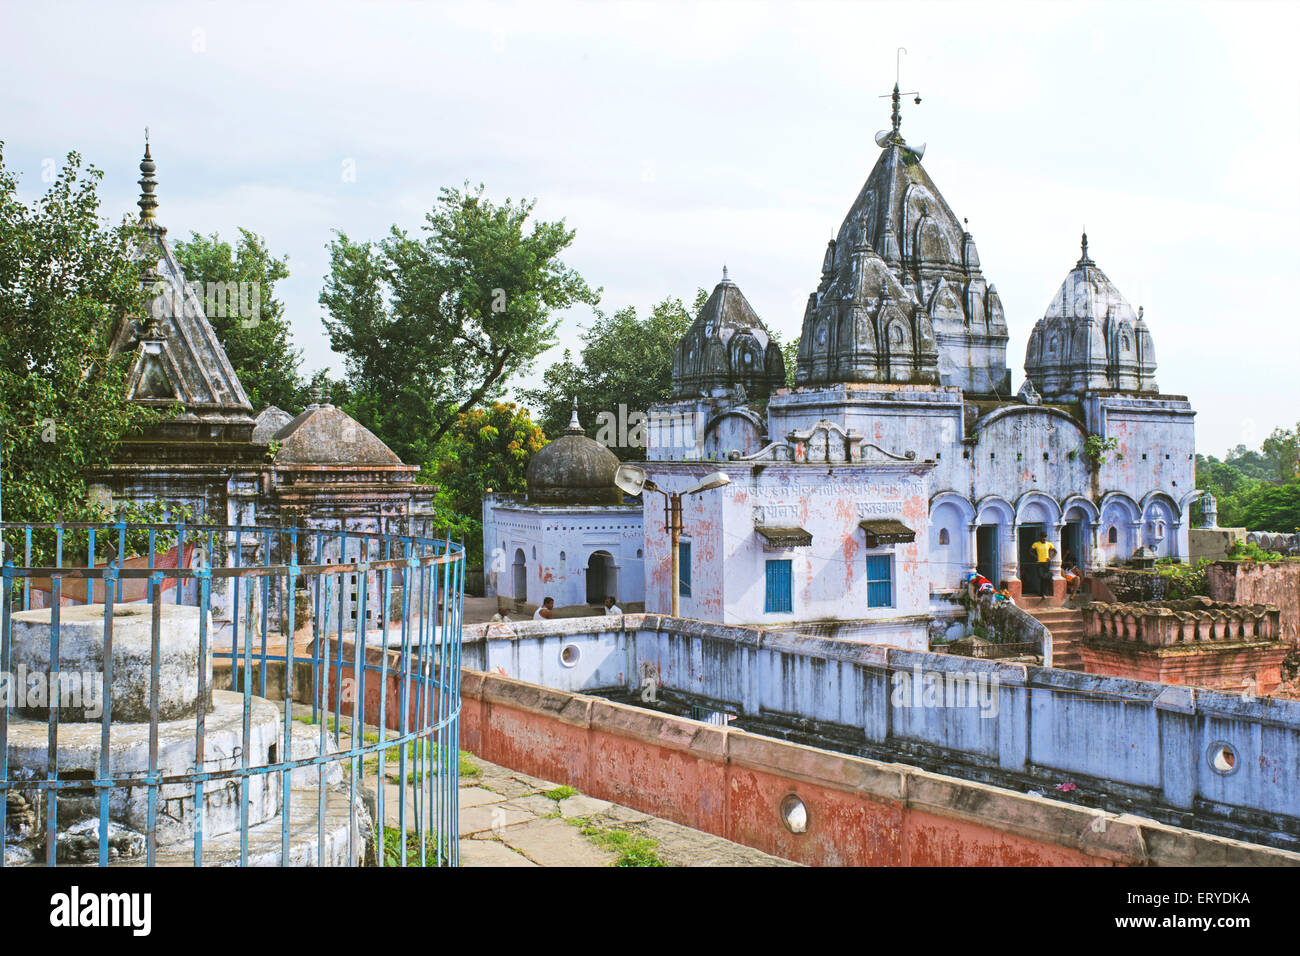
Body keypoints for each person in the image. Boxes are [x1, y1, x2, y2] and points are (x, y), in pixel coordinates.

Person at [1030, 532, 1056, 598]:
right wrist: (1035, 556)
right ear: (1040, 537)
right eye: (1042, 537)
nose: (1044, 538)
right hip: (1040, 563)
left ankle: (1043, 593)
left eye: (1045, 537)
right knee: (1042, 577)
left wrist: (1050, 557)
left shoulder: (1049, 544)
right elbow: (1030, 551)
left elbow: (1055, 551)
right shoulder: (1036, 544)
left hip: (1046, 563)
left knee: (1044, 579)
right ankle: (1050, 574)